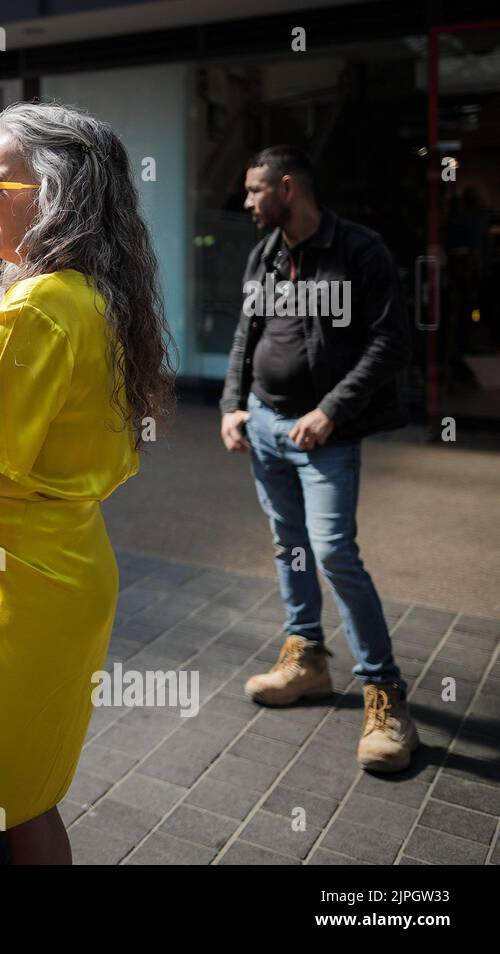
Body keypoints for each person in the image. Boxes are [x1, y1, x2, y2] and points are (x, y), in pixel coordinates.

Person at [0, 102, 175, 864]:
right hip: (68, 569)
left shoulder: (31, 306)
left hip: (4, 593)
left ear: (54, 194)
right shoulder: (100, 299)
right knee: (28, 796)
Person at [220, 145, 418, 773]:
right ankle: (307, 658)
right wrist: (232, 404)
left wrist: (331, 409)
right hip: (268, 425)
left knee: (333, 551)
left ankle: (386, 696)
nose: (247, 203)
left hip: (325, 436)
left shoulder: (360, 251)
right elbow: (245, 334)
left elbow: (391, 341)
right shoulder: (266, 254)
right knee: (290, 543)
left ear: (287, 187)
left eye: (255, 191)